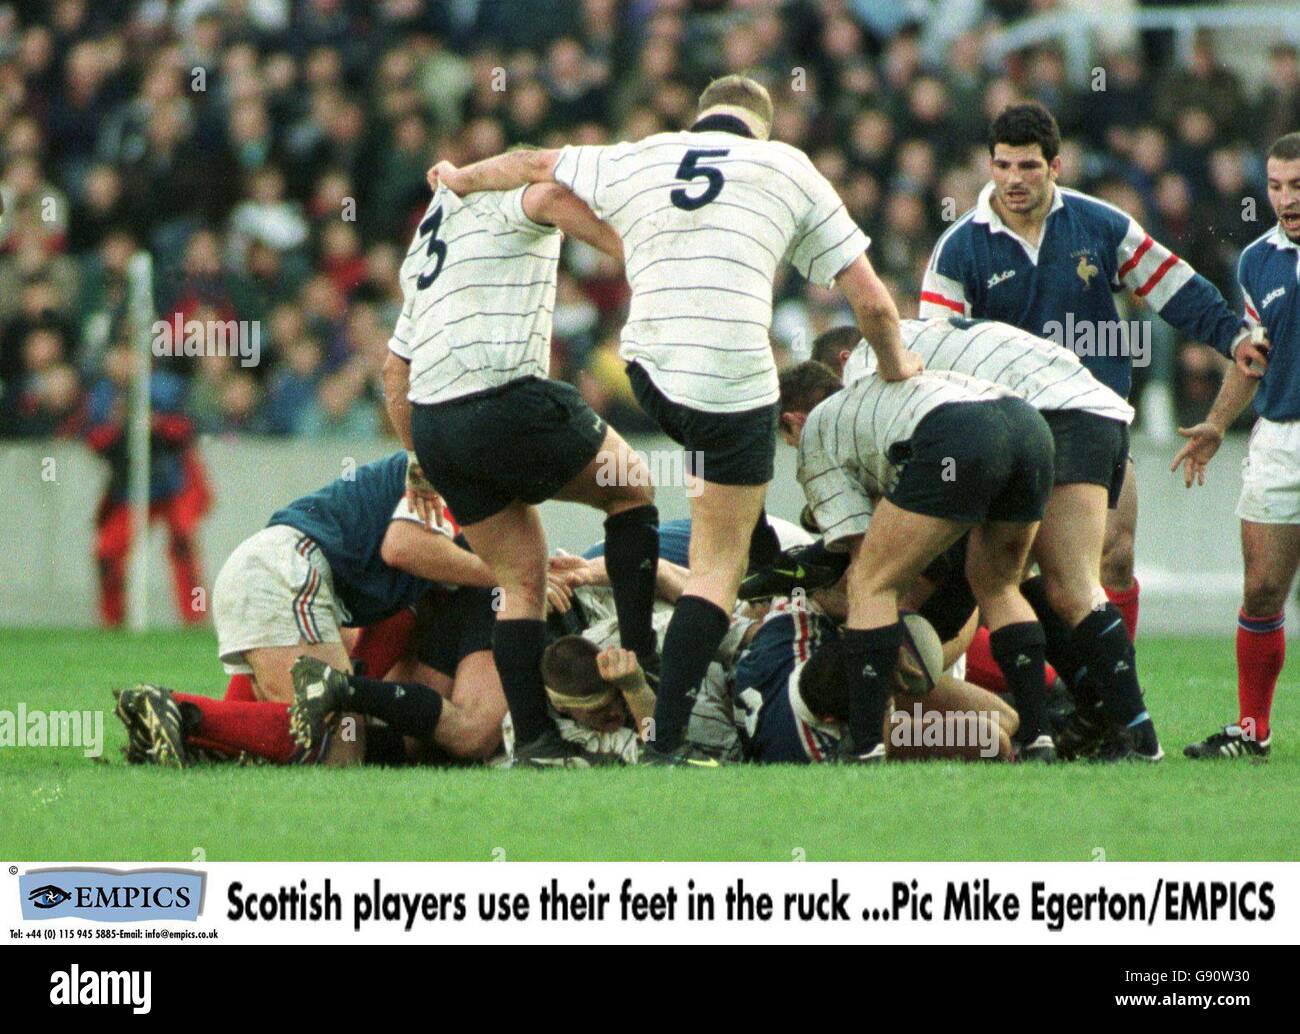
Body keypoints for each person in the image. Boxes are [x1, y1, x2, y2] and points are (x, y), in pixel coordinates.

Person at [431, 73, 922, 763]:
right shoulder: (786, 165)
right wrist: (900, 370)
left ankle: (648, 641)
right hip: (728, 378)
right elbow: (871, 304)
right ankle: (667, 733)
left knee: (665, 490)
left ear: (699, 119)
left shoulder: (643, 151)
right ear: (764, 127)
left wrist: (459, 176)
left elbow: (534, 164)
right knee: (715, 568)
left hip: (650, 371)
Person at [920, 102, 1269, 642]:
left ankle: (1110, 699)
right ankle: (1049, 694)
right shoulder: (959, 248)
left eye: (1028, 166)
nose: (1014, 179)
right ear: (989, 165)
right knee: (1012, 577)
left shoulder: (1098, 224)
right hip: (1007, 431)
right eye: (1004, 165)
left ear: (1055, 166)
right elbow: (934, 350)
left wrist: (1231, 335)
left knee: (1115, 554)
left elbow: (1170, 284)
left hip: (1094, 416)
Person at [383, 170, 662, 768]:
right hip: (506, 396)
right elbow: (551, 194)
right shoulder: (508, 198)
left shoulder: (428, 253)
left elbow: (393, 374)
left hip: (436, 427)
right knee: (632, 487)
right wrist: (637, 251)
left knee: (520, 582)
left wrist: (419, 462)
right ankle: (645, 658)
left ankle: (536, 741)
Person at [821, 318, 1161, 760]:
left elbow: (908, 442)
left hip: (1052, 413)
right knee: (1026, 583)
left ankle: (1136, 736)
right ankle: (1103, 720)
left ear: (844, 362)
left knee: (1068, 587)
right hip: (1084, 408)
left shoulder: (866, 370)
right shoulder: (923, 335)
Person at [780, 360, 1056, 762]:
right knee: (999, 587)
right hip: (1029, 427)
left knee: (871, 583)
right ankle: (1040, 739)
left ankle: (867, 746)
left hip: (961, 438)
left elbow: (862, 557)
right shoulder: (879, 409)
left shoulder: (821, 433)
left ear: (793, 422)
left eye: (788, 441)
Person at [1173, 132, 1300, 761]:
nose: (1285, 199)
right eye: (1275, 186)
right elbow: (1253, 356)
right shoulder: (1256, 260)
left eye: (1297, 185)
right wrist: (1219, 422)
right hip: (1278, 437)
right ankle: (1252, 732)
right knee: (1262, 589)